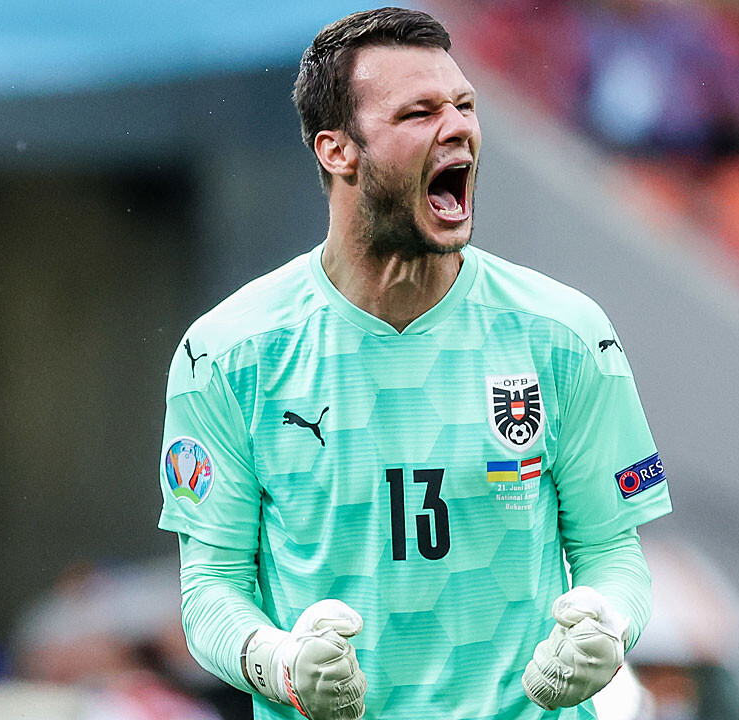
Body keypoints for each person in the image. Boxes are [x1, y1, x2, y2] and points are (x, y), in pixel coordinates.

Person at [156, 7, 672, 720]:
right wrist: (279, 664)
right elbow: (210, 586)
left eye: (464, 105)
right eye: (420, 112)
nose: (458, 127)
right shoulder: (228, 354)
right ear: (339, 151)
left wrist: (609, 629)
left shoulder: (565, 334)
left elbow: (614, 553)